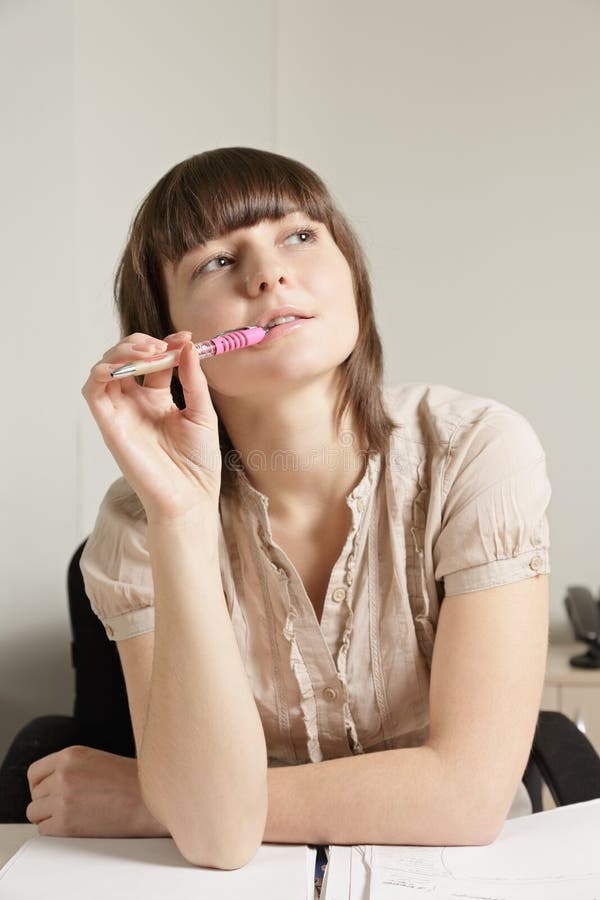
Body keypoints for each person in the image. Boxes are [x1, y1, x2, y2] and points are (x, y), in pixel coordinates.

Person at [25, 147, 550, 869]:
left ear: (353, 274)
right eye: (214, 262)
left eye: (299, 235)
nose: (268, 274)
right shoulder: (138, 524)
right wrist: (181, 516)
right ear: (167, 336)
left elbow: (466, 797)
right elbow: (214, 839)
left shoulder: (477, 451)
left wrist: (154, 801)